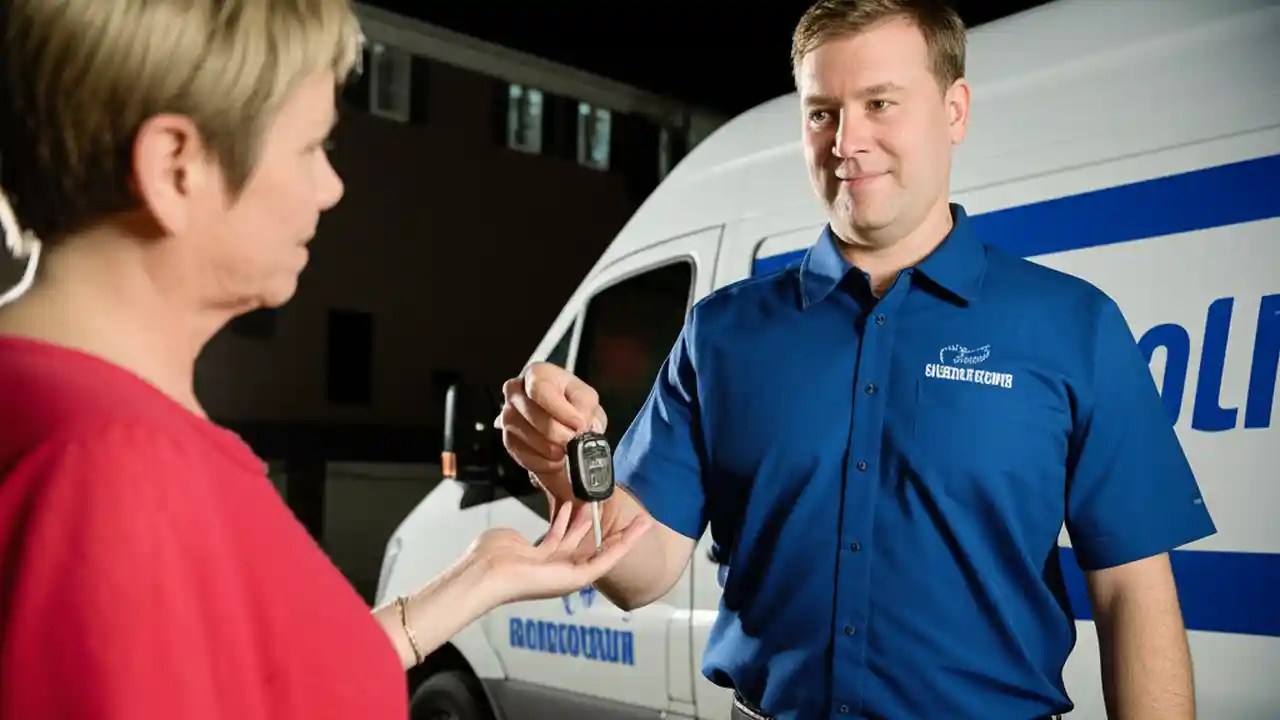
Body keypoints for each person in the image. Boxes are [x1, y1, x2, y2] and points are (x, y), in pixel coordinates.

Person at [498, 1, 1217, 718]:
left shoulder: (1072, 326)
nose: (847, 141)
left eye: (880, 103)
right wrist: (567, 471)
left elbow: (1132, 591)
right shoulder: (720, 335)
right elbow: (640, 574)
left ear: (955, 110)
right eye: (822, 113)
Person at [0, 1, 651, 718]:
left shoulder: (56, 411)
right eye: (312, 148)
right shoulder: (115, 468)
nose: (331, 187)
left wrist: (478, 578)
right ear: (175, 168)